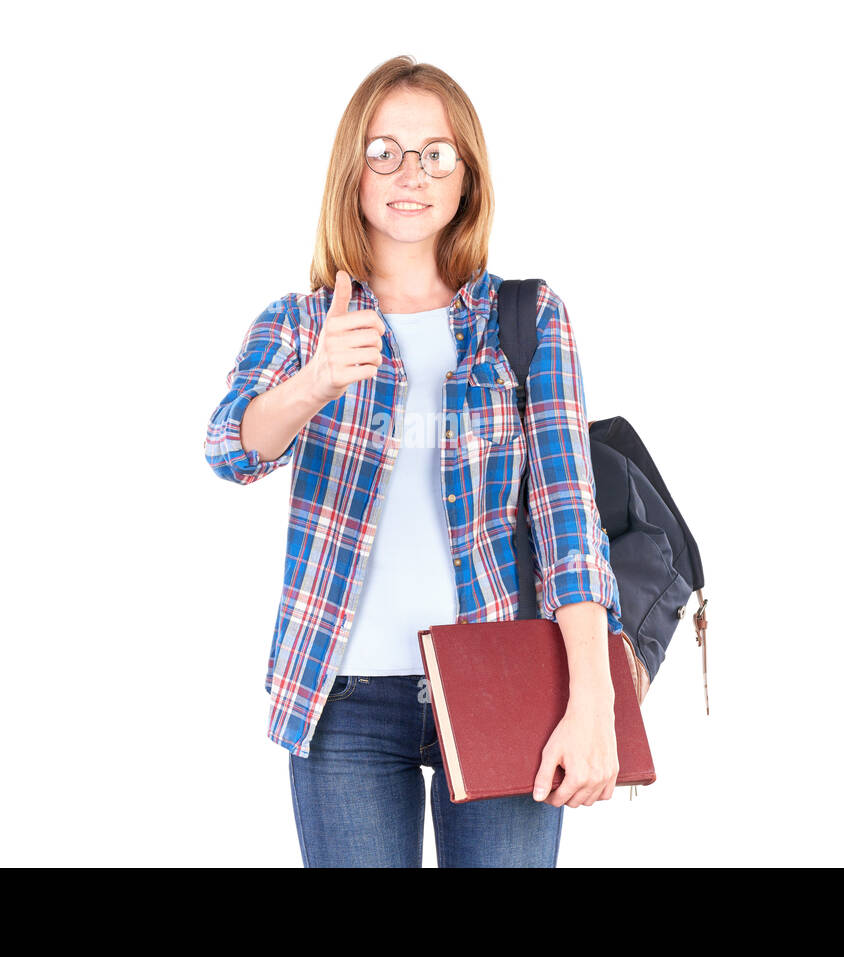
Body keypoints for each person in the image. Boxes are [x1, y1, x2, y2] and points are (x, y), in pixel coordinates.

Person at [204, 55, 644, 868]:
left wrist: (594, 702)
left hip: (503, 686)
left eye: (436, 153)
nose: (410, 174)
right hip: (342, 700)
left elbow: (567, 519)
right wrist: (318, 380)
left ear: (466, 175)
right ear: (354, 171)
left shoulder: (526, 317)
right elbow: (231, 448)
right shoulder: (302, 323)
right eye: (385, 151)